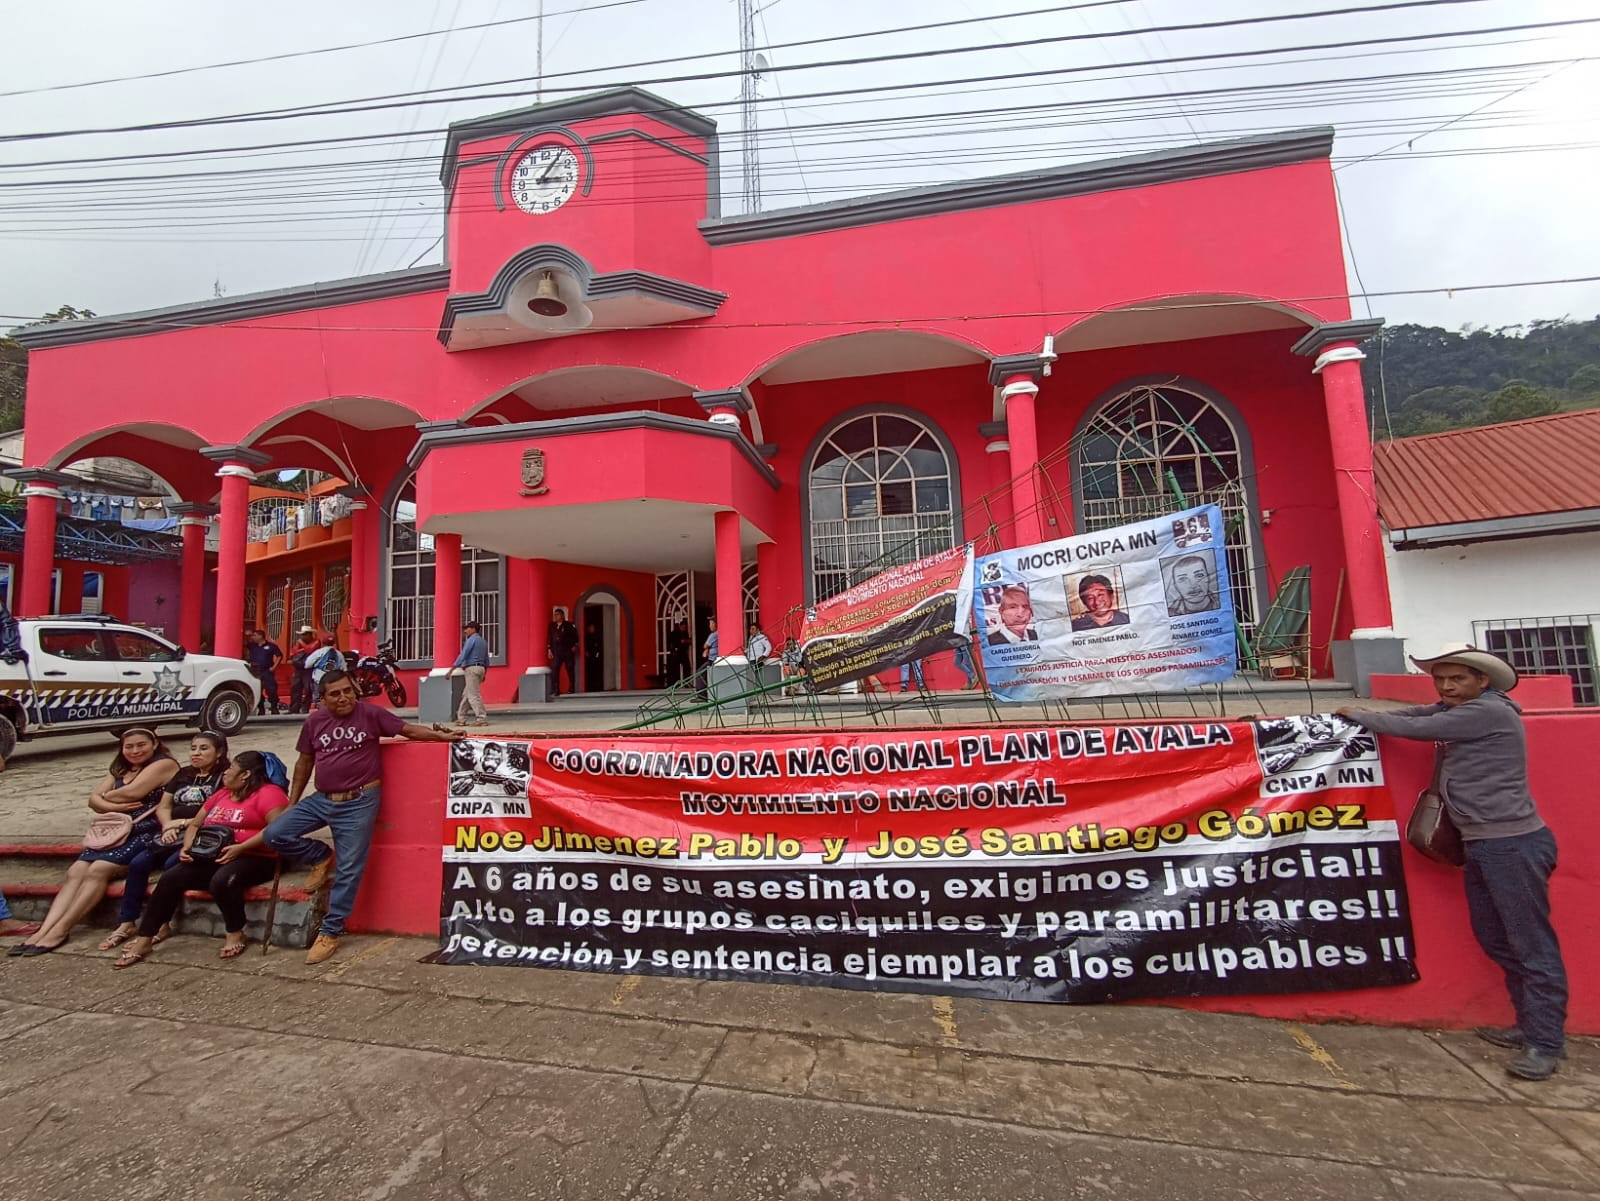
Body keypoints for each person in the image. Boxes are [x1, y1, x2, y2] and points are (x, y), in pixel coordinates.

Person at [1338, 645, 1568, 1082]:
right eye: (1440, 679)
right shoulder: (1459, 709)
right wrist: (1360, 712)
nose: (1446, 687)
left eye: (1457, 679)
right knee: (1497, 938)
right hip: (1484, 843)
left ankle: (1546, 1043)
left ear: (1482, 681)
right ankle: (1531, 1026)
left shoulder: (1487, 713)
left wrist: (1357, 715)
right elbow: (1418, 715)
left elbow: (1416, 727)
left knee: (1531, 945)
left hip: (1512, 843)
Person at [263, 669, 463, 964]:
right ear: (323, 699)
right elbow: (304, 762)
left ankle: (330, 931)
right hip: (321, 799)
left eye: (347, 691)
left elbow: (407, 730)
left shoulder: (371, 714)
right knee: (275, 834)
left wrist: (442, 736)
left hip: (359, 802)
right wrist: (292, 803)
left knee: (349, 869)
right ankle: (318, 855)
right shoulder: (314, 722)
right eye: (335, 694)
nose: (343, 697)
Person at [110, 750, 291, 967]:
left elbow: (277, 830)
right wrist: (188, 847)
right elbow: (196, 824)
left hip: (258, 855)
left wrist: (241, 847)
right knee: (170, 878)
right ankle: (144, 938)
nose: (225, 772)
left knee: (222, 881)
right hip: (213, 852)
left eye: (231, 768)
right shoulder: (222, 794)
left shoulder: (269, 794)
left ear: (245, 774)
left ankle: (235, 932)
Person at [9, 728, 179, 957]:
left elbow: (130, 793)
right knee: (76, 870)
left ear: (154, 744)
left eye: (141, 745)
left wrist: (105, 799)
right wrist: (111, 803)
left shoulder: (164, 764)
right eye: (129, 746)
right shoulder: (120, 768)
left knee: (98, 869)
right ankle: (44, 930)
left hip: (145, 832)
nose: (135, 751)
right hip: (112, 832)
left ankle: (60, 930)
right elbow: (93, 800)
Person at [98, 731, 231, 951]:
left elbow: (218, 812)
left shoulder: (224, 778)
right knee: (139, 864)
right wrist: (168, 824)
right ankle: (127, 921)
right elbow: (164, 805)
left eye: (203, 748)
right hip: (169, 832)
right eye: (193, 748)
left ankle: (162, 924)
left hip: (198, 833)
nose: (196, 753)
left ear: (219, 752)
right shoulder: (183, 774)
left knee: (172, 866)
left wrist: (181, 825)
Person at [452, 620, 490, 726]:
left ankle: (481, 718)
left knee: (473, 695)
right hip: (481, 668)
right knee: (466, 694)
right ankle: (461, 717)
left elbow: (463, 655)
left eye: (467, 628)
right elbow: (486, 659)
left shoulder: (471, 640)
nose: (465, 631)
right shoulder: (483, 641)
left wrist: (452, 669)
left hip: (471, 669)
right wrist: (485, 672)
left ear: (473, 629)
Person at [246, 628, 283, 714]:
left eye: (254, 635)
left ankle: (274, 707)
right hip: (255, 671)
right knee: (257, 690)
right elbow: (243, 642)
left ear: (260, 636)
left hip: (267, 671)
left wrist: (274, 667)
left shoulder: (271, 646)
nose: (253, 637)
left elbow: (279, 656)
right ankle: (261, 708)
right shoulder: (252, 646)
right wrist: (247, 635)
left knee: (271, 690)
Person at [306, 632, 346, 701]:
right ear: (334, 642)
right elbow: (344, 669)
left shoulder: (319, 652)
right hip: (333, 680)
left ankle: (321, 710)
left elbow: (307, 664)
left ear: (323, 642)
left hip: (319, 679)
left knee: (318, 698)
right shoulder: (339, 654)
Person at [548, 608, 578, 697]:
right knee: (555, 669)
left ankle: (572, 687)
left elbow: (575, 636)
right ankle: (556, 689)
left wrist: (574, 646)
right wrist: (549, 649)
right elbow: (550, 638)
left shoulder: (569, 625)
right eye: (555, 615)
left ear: (562, 615)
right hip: (557, 651)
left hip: (567, 650)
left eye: (557, 614)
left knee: (570, 669)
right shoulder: (552, 626)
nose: (556, 616)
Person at [288, 626, 318, 713]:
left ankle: (305, 708)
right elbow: (292, 653)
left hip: (309, 669)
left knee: (308, 689)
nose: (302, 637)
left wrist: (300, 647)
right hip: (299, 668)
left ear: (309, 634)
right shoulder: (299, 642)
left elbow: (310, 650)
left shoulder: (316, 642)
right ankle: (294, 708)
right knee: (295, 688)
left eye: (304, 634)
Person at [666, 621, 692, 686]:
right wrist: (679, 642)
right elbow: (671, 642)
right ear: (680, 626)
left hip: (683, 653)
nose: (684, 628)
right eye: (683, 627)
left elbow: (688, 641)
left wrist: (686, 641)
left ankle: (687, 683)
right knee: (675, 669)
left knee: (687, 668)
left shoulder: (686, 633)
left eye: (685, 627)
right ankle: (675, 684)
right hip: (676, 653)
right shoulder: (674, 633)